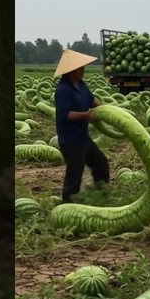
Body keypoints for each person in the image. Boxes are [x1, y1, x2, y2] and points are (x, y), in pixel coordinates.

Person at [52, 48, 111, 204]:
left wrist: (105, 109)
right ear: (72, 70)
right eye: (81, 67)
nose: (83, 70)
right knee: (75, 173)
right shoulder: (63, 90)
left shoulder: (81, 84)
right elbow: (67, 115)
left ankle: (101, 192)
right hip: (70, 140)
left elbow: (92, 101)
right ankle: (67, 204)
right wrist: (87, 115)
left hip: (83, 137)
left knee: (101, 163)